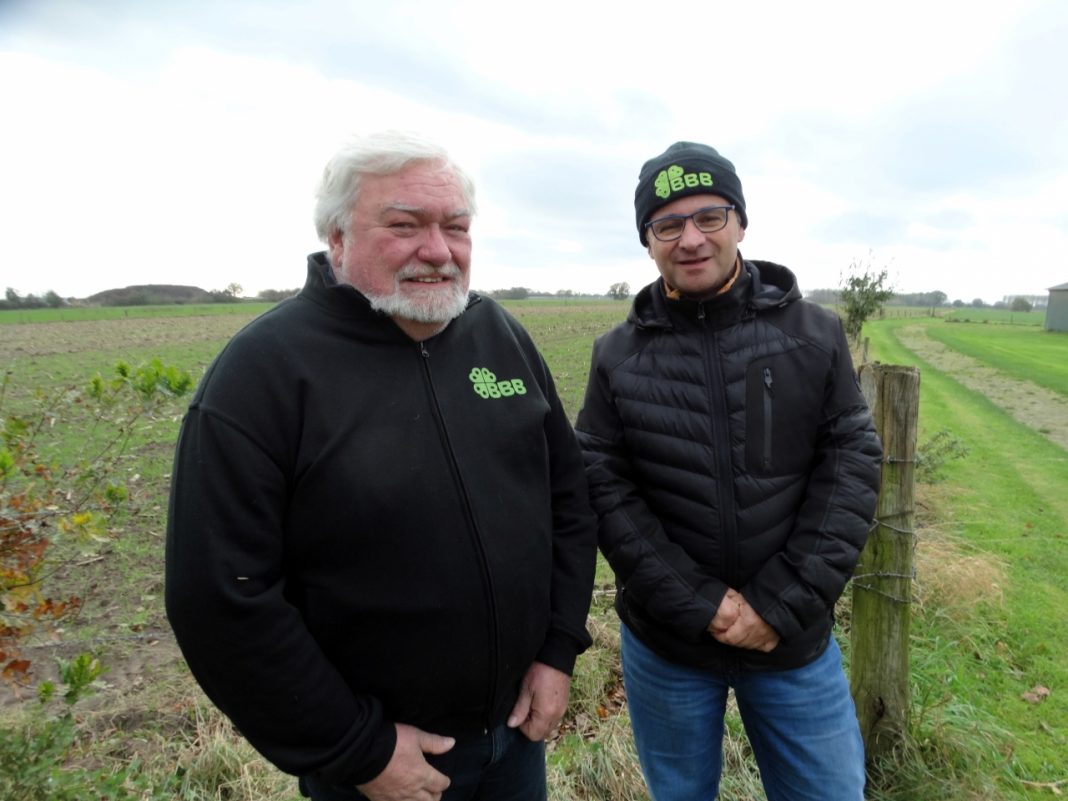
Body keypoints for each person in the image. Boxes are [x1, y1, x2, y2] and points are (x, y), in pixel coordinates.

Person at [165, 131, 598, 801]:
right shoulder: (265, 373)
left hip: (513, 740)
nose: (438, 249)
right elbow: (221, 596)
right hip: (378, 768)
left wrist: (557, 651)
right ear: (337, 239)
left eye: (456, 227)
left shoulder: (500, 336)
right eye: (405, 226)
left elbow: (569, 501)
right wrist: (356, 747)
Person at [575, 141, 882, 801]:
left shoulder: (813, 334)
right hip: (669, 646)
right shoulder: (618, 357)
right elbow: (603, 485)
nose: (690, 238)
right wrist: (699, 602)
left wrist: (778, 603)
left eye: (709, 216)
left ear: (740, 222)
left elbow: (850, 464)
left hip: (792, 638)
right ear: (648, 242)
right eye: (667, 224)